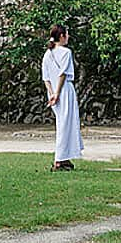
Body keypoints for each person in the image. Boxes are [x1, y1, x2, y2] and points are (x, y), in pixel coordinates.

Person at [41, 24, 83, 171]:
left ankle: (65, 157)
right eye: (67, 34)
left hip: (53, 91)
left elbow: (46, 78)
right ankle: (59, 159)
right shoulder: (65, 52)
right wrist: (57, 93)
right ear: (62, 36)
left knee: (64, 123)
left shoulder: (48, 54)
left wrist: (51, 93)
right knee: (65, 124)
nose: (68, 37)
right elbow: (63, 74)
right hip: (63, 91)